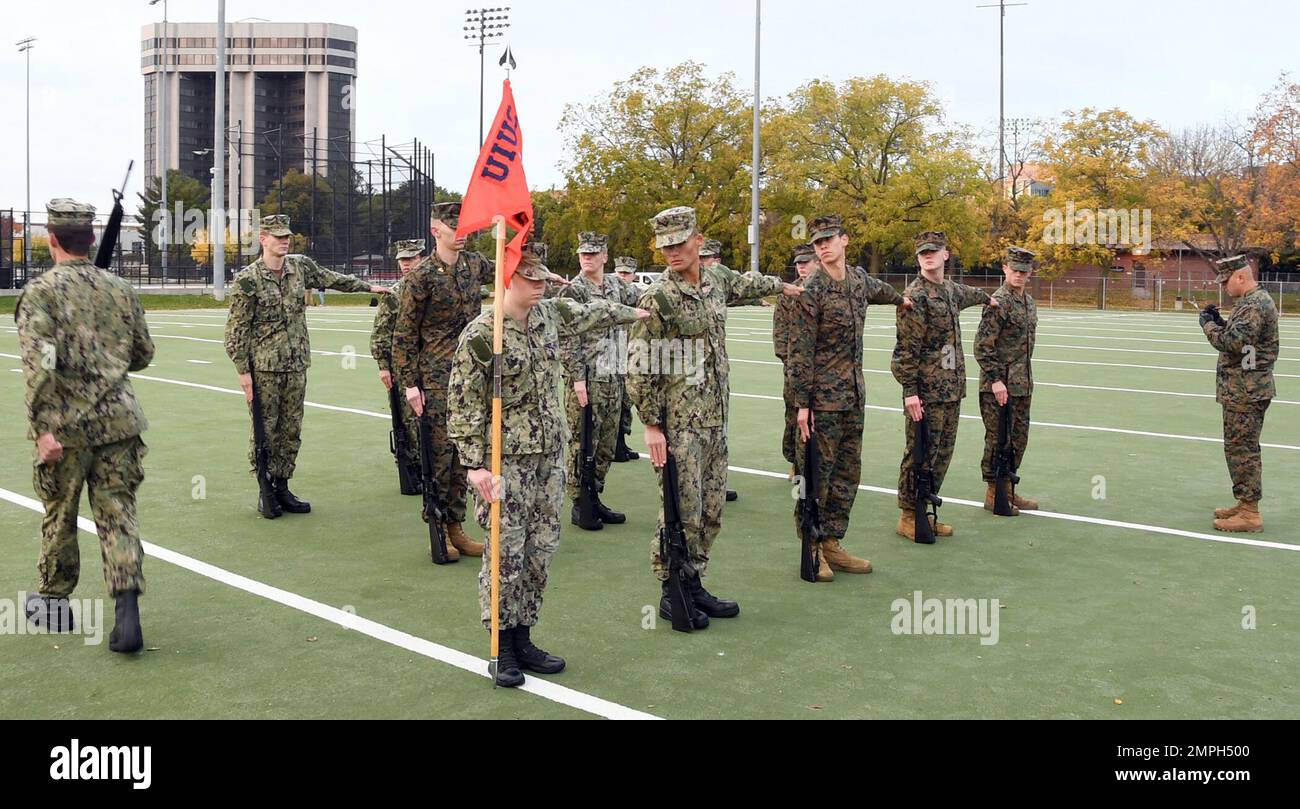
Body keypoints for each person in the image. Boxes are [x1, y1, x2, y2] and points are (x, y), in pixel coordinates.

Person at [447, 252, 648, 687]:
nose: (538, 286)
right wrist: (474, 465)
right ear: (507, 277)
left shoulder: (548, 317)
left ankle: (524, 635)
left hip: (550, 459)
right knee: (505, 554)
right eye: (528, 278)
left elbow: (593, 313)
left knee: (541, 550)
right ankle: (500, 646)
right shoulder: (483, 334)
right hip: (507, 462)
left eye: (541, 278)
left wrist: (635, 310)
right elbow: (462, 403)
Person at [626, 206, 802, 629]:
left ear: (697, 241)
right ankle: (672, 591)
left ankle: (695, 580)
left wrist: (786, 286)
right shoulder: (659, 297)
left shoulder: (716, 280)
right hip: (678, 424)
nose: (671, 252)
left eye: (679, 243)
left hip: (714, 418)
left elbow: (748, 282)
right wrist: (651, 425)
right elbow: (638, 363)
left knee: (710, 510)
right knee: (681, 510)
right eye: (665, 245)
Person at [16, 198, 155, 652]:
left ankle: (55, 602)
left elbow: (39, 369)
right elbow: (143, 354)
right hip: (119, 422)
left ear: (51, 239)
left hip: (68, 427)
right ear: (92, 239)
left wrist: (43, 430)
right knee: (118, 513)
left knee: (61, 513)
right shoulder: (119, 288)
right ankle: (127, 608)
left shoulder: (42, 292)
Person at [224, 215, 389, 518]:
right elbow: (236, 330)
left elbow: (332, 279)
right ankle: (265, 489)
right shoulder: (248, 279)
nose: (284, 241)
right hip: (265, 369)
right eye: (277, 237)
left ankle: (282, 486)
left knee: (291, 429)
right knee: (265, 430)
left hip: (297, 364)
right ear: (263, 239)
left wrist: (368, 287)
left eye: (287, 236)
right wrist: (243, 373)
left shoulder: (299, 267)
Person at [788, 215, 911, 580]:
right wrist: (802, 405)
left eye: (828, 239)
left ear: (845, 240)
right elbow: (799, 352)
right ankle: (810, 547)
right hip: (821, 402)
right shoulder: (812, 289)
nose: (823, 246)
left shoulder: (857, 280)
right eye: (817, 242)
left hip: (853, 397)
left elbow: (881, 291)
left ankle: (832, 543)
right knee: (813, 477)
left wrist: (904, 300)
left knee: (846, 475)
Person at [391, 202, 493, 558]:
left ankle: (456, 527)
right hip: (435, 380)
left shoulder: (474, 265)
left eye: (466, 230)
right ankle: (437, 529)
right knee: (438, 458)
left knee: (465, 455)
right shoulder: (420, 277)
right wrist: (409, 384)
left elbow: (507, 267)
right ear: (436, 231)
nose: (462, 236)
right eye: (455, 230)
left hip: (472, 378)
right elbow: (403, 335)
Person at [891, 230, 997, 540]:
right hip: (925, 393)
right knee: (919, 454)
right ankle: (909, 515)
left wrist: (990, 298)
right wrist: (910, 391)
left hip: (951, 389)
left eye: (933, 251)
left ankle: (924, 509)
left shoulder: (950, 291)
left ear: (945, 255)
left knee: (942, 453)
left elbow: (970, 293)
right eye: (923, 252)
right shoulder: (915, 297)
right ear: (918, 258)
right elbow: (905, 351)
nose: (928, 255)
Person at [560, 233, 640, 529]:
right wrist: (577, 377)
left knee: (606, 442)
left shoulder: (618, 286)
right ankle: (580, 503)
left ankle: (596, 495)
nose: (587, 257)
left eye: (593, 253)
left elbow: (643, 300)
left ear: (605, 256)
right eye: (583, 253)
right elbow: (567, 336)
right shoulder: (573, 291)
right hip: (588, 380)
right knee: (584, 443)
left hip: (614, 377)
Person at [1200, 255, 1279, 533]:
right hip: (1244, 388)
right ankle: (1244, 503)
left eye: (1226, 281)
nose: (1224, 287)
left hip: (1246, 391)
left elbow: (1233, 342)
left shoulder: (1254, 304)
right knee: (1239, 448)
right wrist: (1221, 321)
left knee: (1242, 451)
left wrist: (1208, 326)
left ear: (1241, 277)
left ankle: (1249, 513)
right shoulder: (1250, 303)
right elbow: (1242, 339)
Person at [974, 247, 1039, 515]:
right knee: (998, 439)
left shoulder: (1028, 302)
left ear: (1030, 273)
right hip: (998, 387)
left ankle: (1008, 487)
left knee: (1018, 439)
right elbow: (982, 346)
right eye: (1015, 270)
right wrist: (995, 380)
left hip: (1022, 384)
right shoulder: (998, 302)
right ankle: (994, 491)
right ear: (1005, 269)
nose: (1019, 275)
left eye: (1024, 271)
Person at [371, 239, 426, 496]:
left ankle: (431, 468)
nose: (406, 264)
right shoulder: (395, 294)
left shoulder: (431, 287)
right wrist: (384, 366)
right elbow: (381, 332)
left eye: (411, 258)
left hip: (431, 364)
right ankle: (413, 468)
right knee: (408, 421)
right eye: (402, 260)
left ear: (421, 258)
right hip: (403, 366)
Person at [774, 244, 817, 474]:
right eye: (798, 263)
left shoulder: (822, 289)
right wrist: (789, 361)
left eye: (806, 262)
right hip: (794, 366)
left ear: (816, 262)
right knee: (793, 414)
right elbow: (780, 331)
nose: (801, 266)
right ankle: (795, 460)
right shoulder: (789, 293)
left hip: (820, 367)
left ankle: (812, 463)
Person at [613, 256, 644, 463]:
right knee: (613, 403)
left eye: (627, 273)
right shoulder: (611, 293)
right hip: (610, 355)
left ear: (633, 275)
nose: (623, 276)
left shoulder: (637, 295)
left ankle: (621, 441)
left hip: (630, 355)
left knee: (627, 401)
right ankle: (614, 445)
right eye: (620, 272)